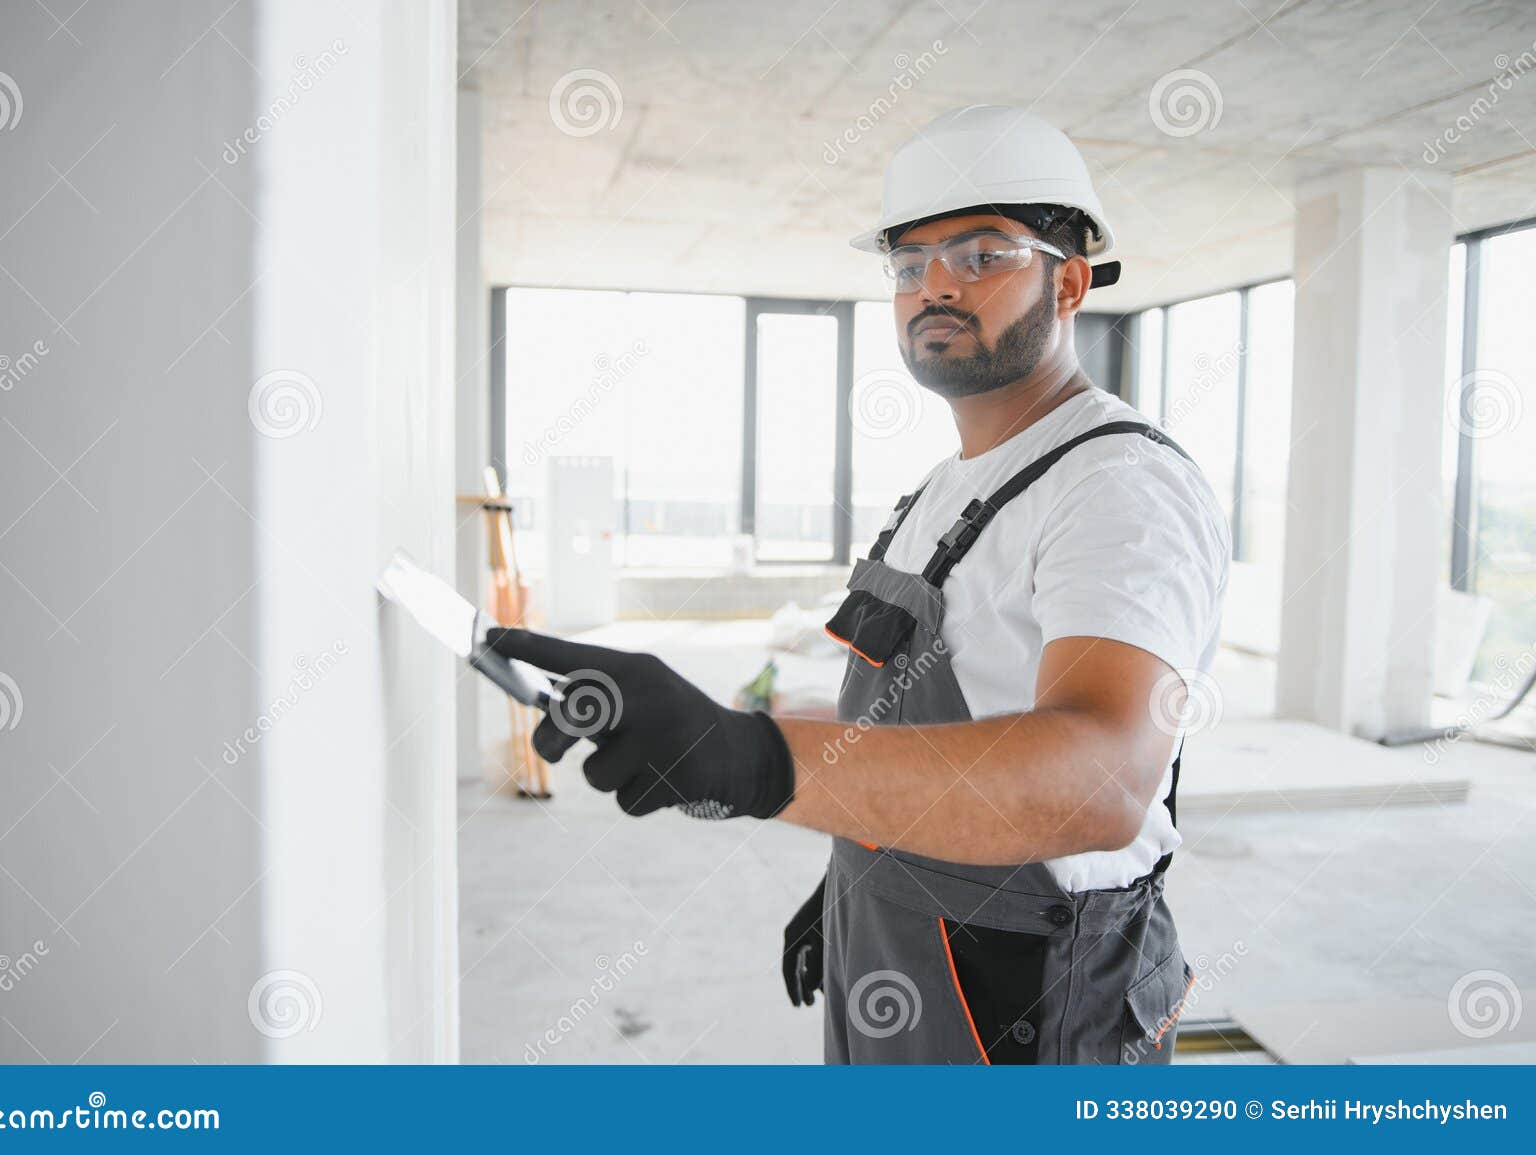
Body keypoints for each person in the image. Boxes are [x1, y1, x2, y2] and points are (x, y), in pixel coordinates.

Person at [487, 105, 1229, 1065]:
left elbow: (1100, 780)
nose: (937, 287)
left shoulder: (1116, 485)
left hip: (1031, 990)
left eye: (983, 254)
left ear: (1072, 280)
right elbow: (923, 735)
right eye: (910, 264)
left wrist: (750, 757)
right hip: (902, 938)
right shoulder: (939, 489)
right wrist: (861, 872)